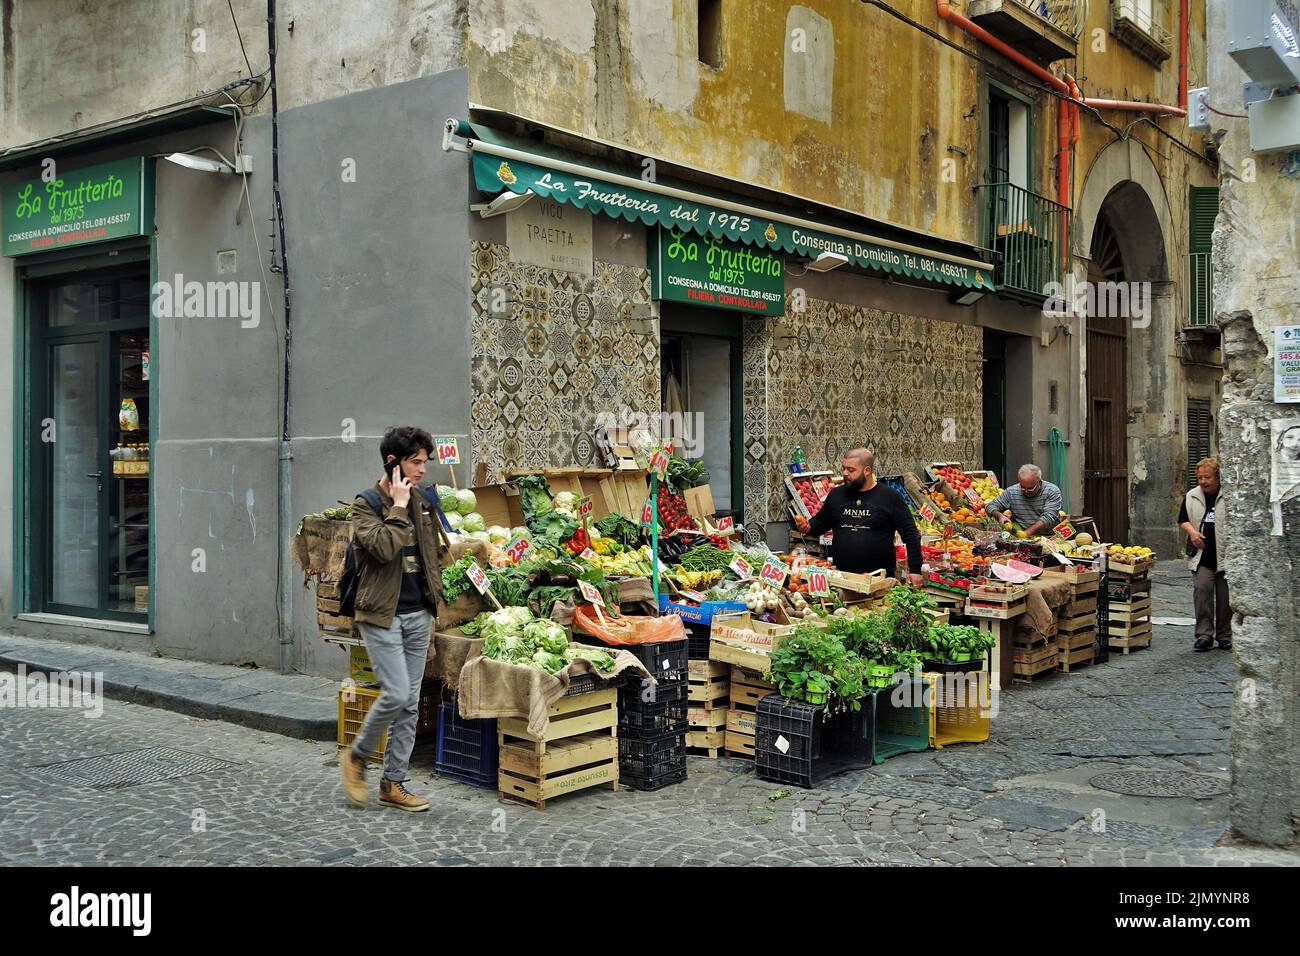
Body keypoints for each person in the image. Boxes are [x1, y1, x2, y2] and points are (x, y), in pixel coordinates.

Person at [340, 426, 447, 811]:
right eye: (415, 462)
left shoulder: (422, 500)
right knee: (397, 693)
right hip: (381, 616)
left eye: (424, 462)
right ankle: (357, 755)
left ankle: (393, 783)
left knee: (411, 703)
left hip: (418, 614)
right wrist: (399, 507)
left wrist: (435, 603)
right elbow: (384, 549)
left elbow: (432, 555)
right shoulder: (365, 504)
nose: (422, 469)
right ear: (393, 462)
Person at [794, 447, 923, 586]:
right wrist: (807, 527)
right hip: (841, 577)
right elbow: (821, 522)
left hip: (878, 579)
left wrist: (915, 569)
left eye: (851, 470)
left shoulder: (890, 497)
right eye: (843, 468)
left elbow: (911, 534)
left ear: (867, 471)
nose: (844, 473)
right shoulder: (836, 495)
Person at [1179, 457, 1232, 652]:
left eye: (1207, 477)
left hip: (1225, 554)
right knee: (1202, 592)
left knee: (1226, 598)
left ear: (1218, 477)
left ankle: (1225, 636)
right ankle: (1204, 635)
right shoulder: (1192, 496)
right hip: (1202, 555)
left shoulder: (1228, 495)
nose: (1203, 481)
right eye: (1200, 477)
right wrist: (1192, 533)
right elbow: (1183, 519)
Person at [983, 464, 1064, 537]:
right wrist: (1000, 516)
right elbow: (990, 506)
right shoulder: (1012, 491)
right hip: (1020, 538)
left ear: (1039, 482)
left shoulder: (1052, 491)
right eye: (1022, 487)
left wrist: (1027, 532)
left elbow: (1049, 517)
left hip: (1049, 537)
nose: (1025, 491)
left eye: (1030, 488)